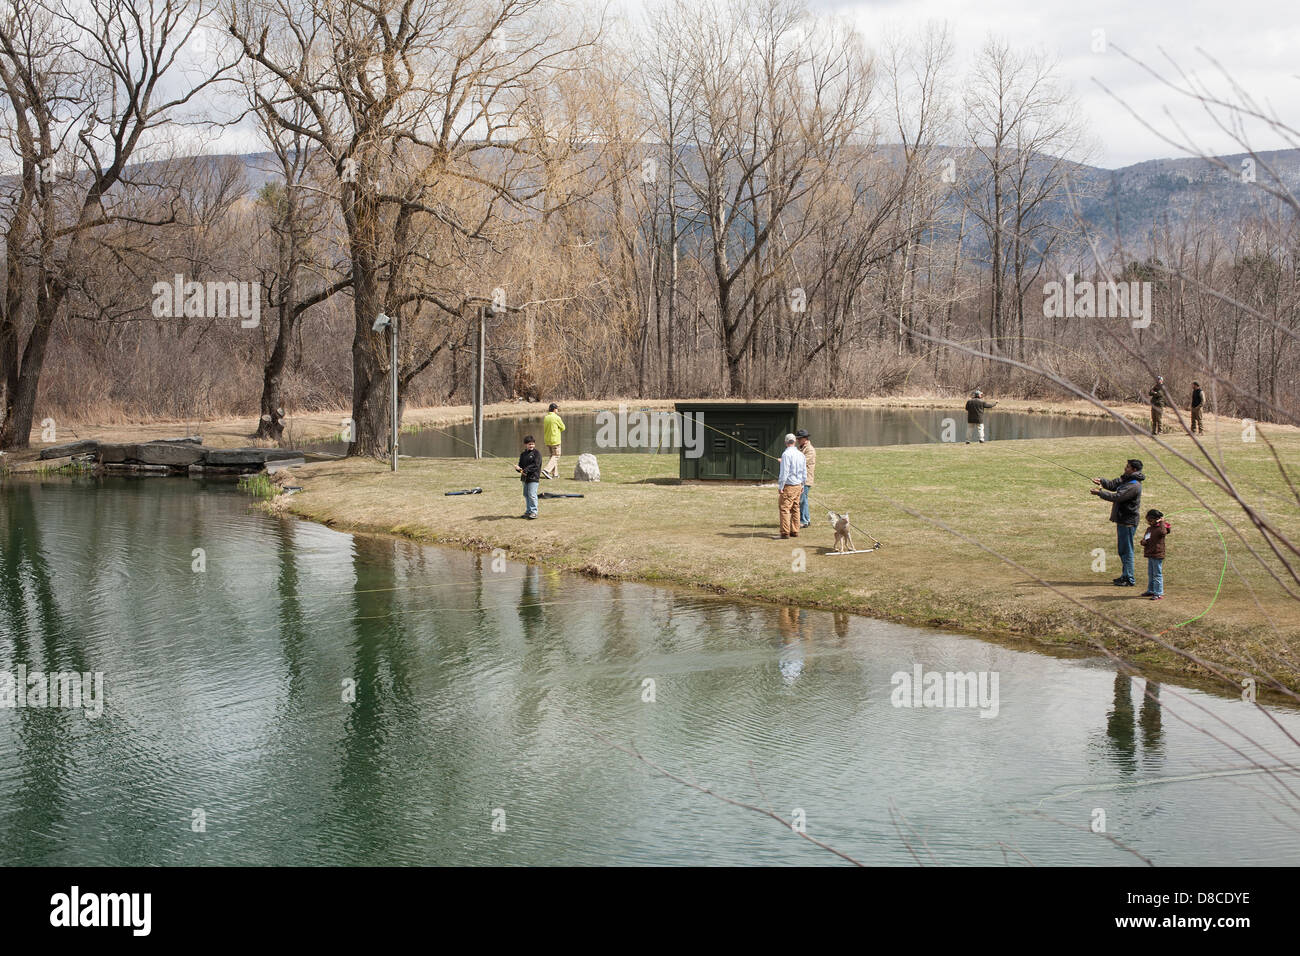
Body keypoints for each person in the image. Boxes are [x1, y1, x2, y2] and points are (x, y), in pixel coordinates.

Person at [1090, 458, 1146, 586]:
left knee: (1127, 551)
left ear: (1134, 470)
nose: (1125, 468)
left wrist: (1100, 493)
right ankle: (1125, 575)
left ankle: (1129, 579)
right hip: (1122, 520)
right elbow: (1113, 485)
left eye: (1127, 467)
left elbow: (1117, 497)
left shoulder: (1134, 485)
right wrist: (1102, 481)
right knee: (1122, 550)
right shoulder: (1126, 479)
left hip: (1128, 521)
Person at [776, 433, 806, 539]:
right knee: (795, 508)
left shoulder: (786, 454)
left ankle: (785, 533)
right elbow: (804, 471)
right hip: (798, 485)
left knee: (784, 508)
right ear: (794, 441)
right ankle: (795, 531)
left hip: (789, 485)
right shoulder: (801, 454)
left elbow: (784, 472)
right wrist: (802, 484)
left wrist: (781, 486)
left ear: (786, 442)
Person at [1140, 509, 1171, 600]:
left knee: (1157, 574)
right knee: (1151, 574)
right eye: (1148, 520)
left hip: (1157, 555)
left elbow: (1163, 532)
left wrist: (1162, 521)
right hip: (1150, 554)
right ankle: (1151, 590)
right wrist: (1143, 542)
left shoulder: (1161, 528)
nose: (1149, 522)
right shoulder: (1149, 529)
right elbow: (1146, 538)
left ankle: (1158, 593)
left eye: (1151, 520)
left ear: (1156, 519)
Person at [514, 435, 541, 519]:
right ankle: (528, 511)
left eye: (532, 444)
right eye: (529, 444)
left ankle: (534, 512)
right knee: (526, 494)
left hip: (533, 477)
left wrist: (525, 470)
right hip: (524, 478)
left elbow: (536, 466)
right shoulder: (523, 454)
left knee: (532, 494)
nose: (531, 446)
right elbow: (521, 465)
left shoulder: (537, 454)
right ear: (526, 444)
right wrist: (518, 469)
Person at [795, 428, 816, 528]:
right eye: (797, 438)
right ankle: (806, 519)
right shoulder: (801, 447)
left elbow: (802, 462)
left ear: (805, 438)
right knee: (804, 499)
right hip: (802, 478)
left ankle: (804, 521)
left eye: (799, 438)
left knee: (802, 500)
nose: (798, 440)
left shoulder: (810, 449)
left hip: (806, 479)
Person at [541, 402, 565, 478]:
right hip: (555, 440)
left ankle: (555, 474)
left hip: (548, 440)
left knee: (552, 456)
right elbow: (563, 427)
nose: (558, 410)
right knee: (556, 456)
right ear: (554, 409)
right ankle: (546, 470)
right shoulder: (557, 417)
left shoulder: (546, 417)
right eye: (557, 409)